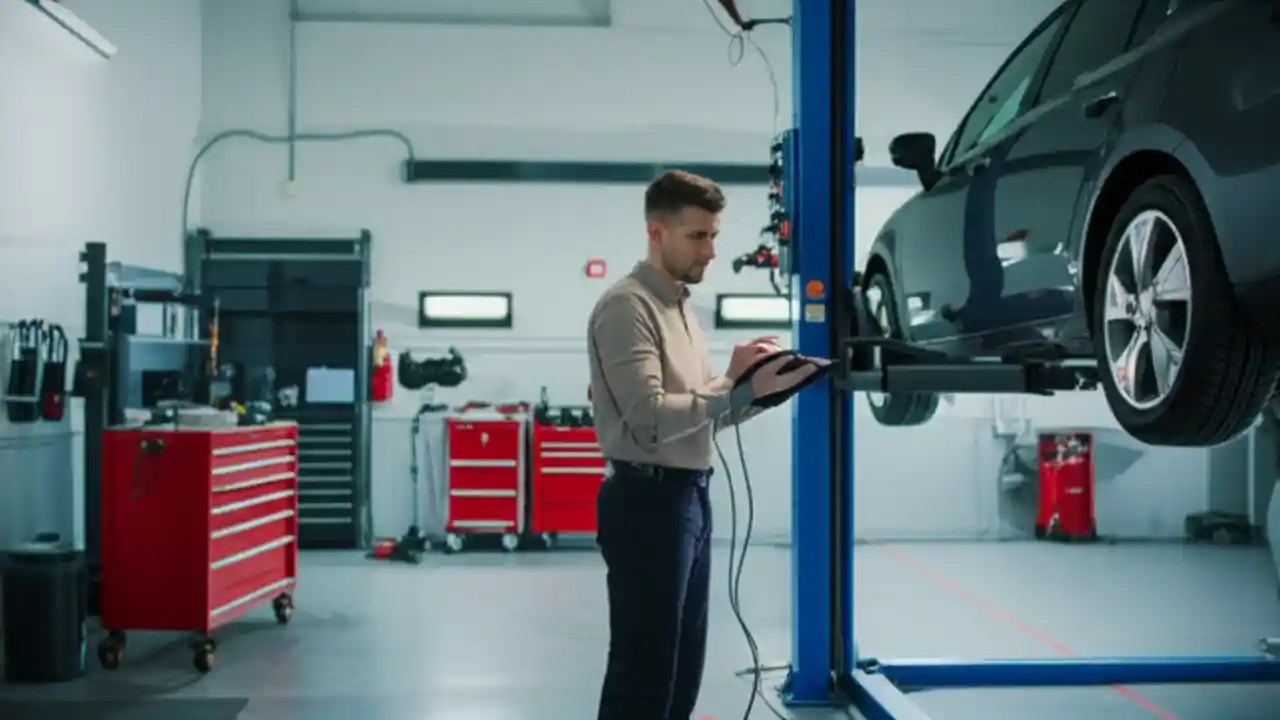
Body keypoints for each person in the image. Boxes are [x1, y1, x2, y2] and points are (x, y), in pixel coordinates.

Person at [586, 169, 819, 720]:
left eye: (714, 235)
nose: (711, 250)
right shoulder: (629, 306)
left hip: (689, 496)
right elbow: (648, 421)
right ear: (656, 232)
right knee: (644, 671)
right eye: (698, 236)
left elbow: (697, 417)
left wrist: (757, 391)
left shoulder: (680, 308)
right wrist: (729, 385)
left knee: (682, 666)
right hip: (648, 504)